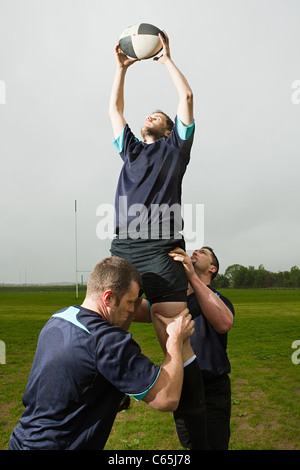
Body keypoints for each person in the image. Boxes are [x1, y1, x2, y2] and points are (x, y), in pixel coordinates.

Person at [109, 31, 208, 450]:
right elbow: (114, 110)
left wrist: (166, 59)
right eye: (147, 115)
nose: (149, 116)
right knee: (108, 324)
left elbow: (185, 99)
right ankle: (111, 391)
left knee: (176, 337)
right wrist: (121, 70)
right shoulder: (130, 149)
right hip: (124, 249)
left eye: (156, 116)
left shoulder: (175, 151)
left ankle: (196, 432)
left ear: (169, 132)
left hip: (161, 248)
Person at [8, 257, 194, 450]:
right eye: (130, 302)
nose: (132, 310)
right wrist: (175, 340)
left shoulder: (59, 318)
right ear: (108, 298)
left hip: (22, 440)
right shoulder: (105, 340)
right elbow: (167, 397)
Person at [169, 246, 235, 450]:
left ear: (212, 269)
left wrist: (191, 277)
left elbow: (224, 323)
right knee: (191, 446)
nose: (196, 251)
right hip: (184, 385)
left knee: (214, 444)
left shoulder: (220, 300)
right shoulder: (177, 301)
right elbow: (142, 311)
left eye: (204, 252)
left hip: (212, 389)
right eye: (195, 250)